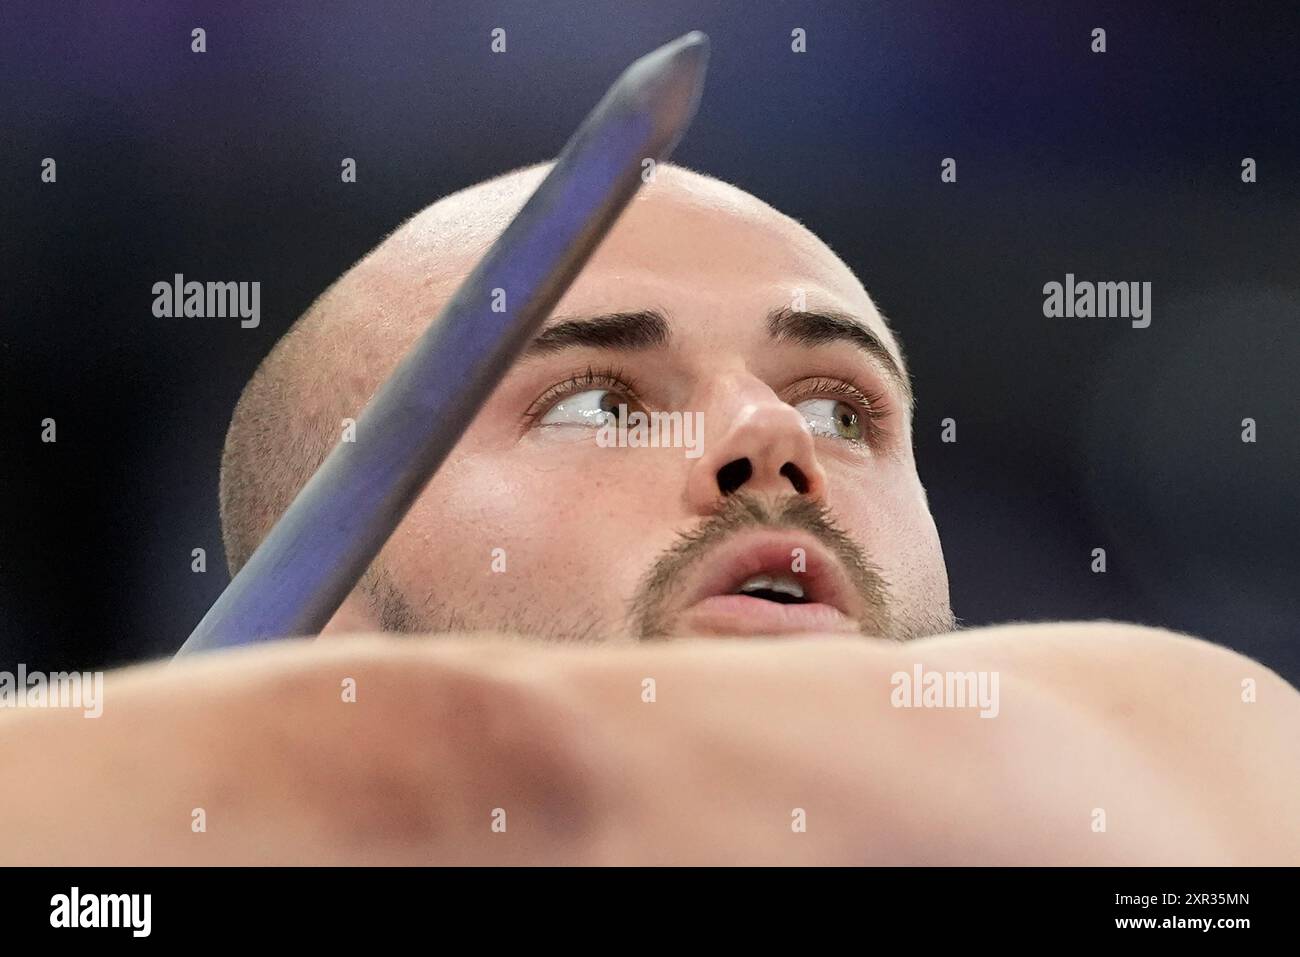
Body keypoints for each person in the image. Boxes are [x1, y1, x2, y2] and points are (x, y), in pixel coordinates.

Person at [3, 164, 1296, 865]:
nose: (772, 440)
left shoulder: (1186, 750)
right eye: (594, 402)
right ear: (322, 639)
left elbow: (487, 762)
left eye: (845, 408)